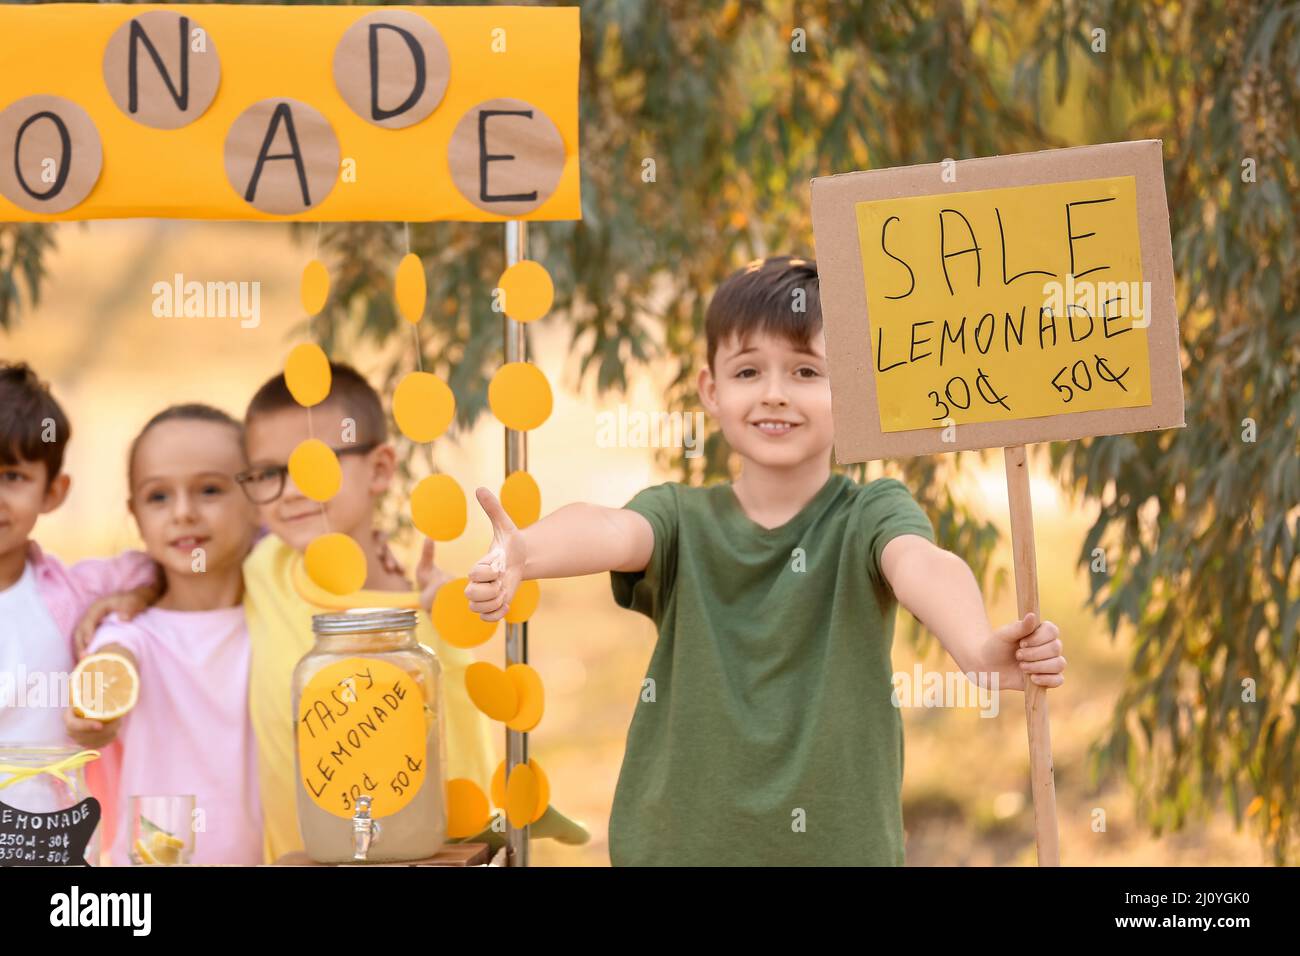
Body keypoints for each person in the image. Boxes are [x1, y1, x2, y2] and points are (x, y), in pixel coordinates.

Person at [462, 256, 1067, 865]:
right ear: (712, 391)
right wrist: (526, 551)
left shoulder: (869, 516)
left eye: (806, 370)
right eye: (749, 370)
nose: (774, 394)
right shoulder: (678, 519)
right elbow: (606, 527)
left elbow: (922, 564)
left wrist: (975, 647)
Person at [71, 404, 263, 865]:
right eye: (158, 497)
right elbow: (112, 665)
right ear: (134, 515)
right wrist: (95, 714)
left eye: (210, 489)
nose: (182, 513)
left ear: (257, 497)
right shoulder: (128, 630)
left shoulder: (279, 617)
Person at [0, 362, 158, 749]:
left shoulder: (75, 592)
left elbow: (168, 569)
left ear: (53, 492)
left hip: (54, 809)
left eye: (12, 476)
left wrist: (136, 597)